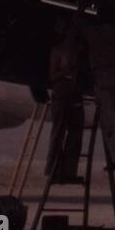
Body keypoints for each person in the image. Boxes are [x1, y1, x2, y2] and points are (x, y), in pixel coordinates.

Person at [45, 16, 85, 183]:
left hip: (74, 91)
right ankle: (53, 171)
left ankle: (69, 172)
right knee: (59, 131)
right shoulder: (58, 50)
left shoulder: (78, 49)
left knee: (76, 130)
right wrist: (66, 71)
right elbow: (52, 76)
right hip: (62, 90)